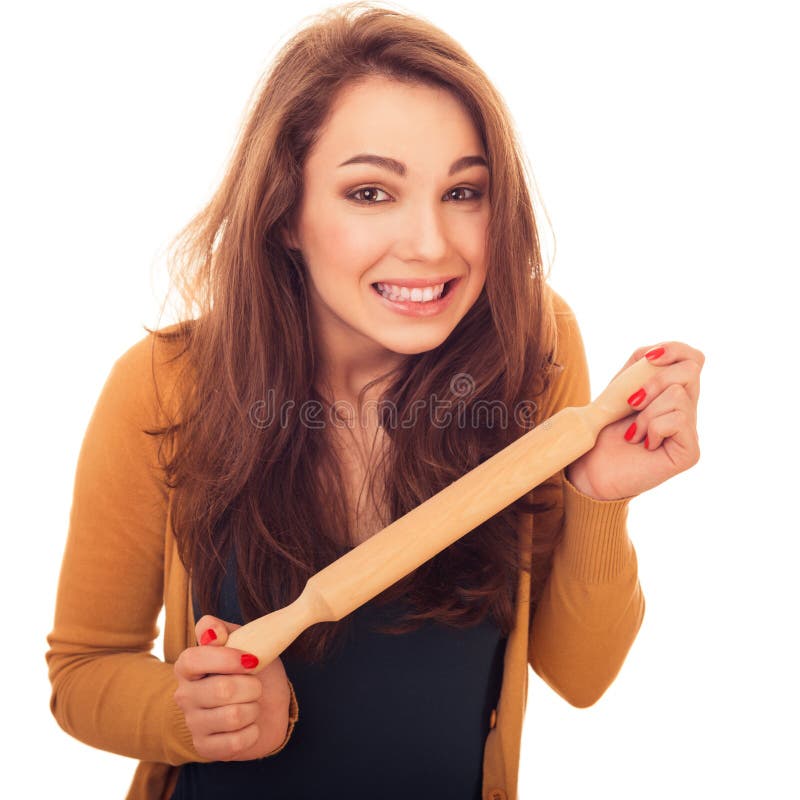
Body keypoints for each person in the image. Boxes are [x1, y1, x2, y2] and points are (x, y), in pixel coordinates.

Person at [45, 3, 704, 799]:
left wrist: (599, 497)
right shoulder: (166, 382)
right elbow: (83, 669)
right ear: (285, 212)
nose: (430, 244)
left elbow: (582, 676)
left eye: (464, 191)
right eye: (369, 192)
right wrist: (192, 716)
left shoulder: (531, 349)